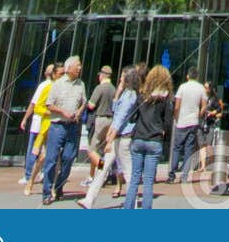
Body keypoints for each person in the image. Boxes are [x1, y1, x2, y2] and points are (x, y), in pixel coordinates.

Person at [80, 67, 138, 209]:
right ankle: (89, 199)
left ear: (128, 79)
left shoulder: (131, 95)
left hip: (122, 138)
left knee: (127, 171)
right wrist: (118, 92)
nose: (120, 79)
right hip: (116, 136)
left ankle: (132, 203)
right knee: (103, 167)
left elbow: (120, 118)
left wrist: (110, 139)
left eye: (122, 77)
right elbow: (114, 109)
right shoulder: (124, 93)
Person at [122, 65, 173, 211]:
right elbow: (168, 122)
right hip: (155, 139)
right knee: (148, 181)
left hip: (139, 137)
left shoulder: (141, 96)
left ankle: (128, 208)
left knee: (134, 178)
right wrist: (164, 134)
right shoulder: (165, 99)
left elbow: (131, 118)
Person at [40, 56, 87, 205]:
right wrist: (63, 112)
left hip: (73, 126)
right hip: (57, 125)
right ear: (69, 68)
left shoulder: (81, 85)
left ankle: (59, 185)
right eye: (77, 66)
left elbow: (83, 102)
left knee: (69, 158)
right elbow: (49, 105)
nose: (79, 68)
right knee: (51, 159)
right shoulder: (58, 84)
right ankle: (47, 193)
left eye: (80, 66)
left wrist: (79, 111)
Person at [25, 64, 63, 197]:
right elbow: (38, 107)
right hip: (47, 126)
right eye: (60, 74)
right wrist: (50, 112)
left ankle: (52, 187)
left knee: (57, 159)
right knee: (43, 157)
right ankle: (31, 180)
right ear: (54, 75)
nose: (62, 77)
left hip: (59, 127)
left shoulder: (64, 89)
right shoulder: (48, 87)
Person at [168, 68, 206, 186]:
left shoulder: (182, 87)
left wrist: (175, 116)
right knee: (189, 148)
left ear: (188, 76)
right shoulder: (201, 88)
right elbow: (204, 105)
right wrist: (198, 114)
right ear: (197, 77)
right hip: (193, 121)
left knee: (177, 148)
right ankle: (184, 176)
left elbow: (177, 104)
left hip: (181, 121)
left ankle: (172, 174)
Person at [19, 65, 54, 186]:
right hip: (48, 123)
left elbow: (33, 104)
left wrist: (25, 118)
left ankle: (29, 175)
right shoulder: (53, 87)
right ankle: (43, 172)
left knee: (33, 150)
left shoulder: (43, 86)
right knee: (46, 150)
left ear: (46, 74)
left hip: (39, 123)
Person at [86, 66, 116, 180]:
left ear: (102, 75)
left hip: (100, 119)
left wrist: (87, 104)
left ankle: (103, 168)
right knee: (102, 149)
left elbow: (91, 105)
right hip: (110, 120)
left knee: (92, 150)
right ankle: (94, 175)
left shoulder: (100, 88)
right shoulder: (114, 89)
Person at [197, 82, 223, 176]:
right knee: (201, 145)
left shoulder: (214, 99)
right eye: (204, 87)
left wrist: (212, 112)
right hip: (201, 122)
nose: (204, 89)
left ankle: (211, 164)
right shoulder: (200, 97)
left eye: (206, 87)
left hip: (210, 123)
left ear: (210, 89)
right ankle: (203, 165)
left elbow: (220, 109)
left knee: (209, 144)